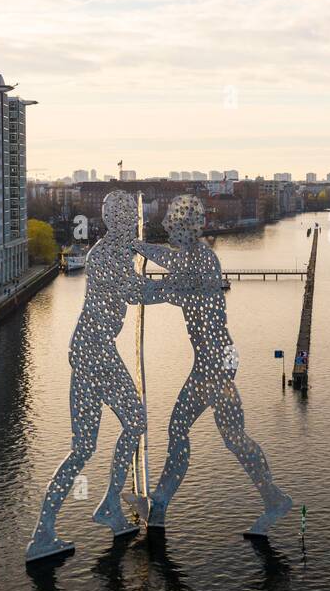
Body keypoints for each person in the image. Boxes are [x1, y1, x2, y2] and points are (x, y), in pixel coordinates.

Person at [133, 195, 293, 536]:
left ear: (188, 228)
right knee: (222, 435)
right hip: (216, 358)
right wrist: (136, 244)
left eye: (172, 224)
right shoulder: (191, 256)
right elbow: (166, 261)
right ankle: (272, 498)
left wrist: (130, 286)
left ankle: (161, 506)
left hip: (216, 361)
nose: (166, 228)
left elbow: (163, 290)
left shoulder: (201, 260)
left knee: (197, 432)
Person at [26, 191, 170, 562]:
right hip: (96, 351)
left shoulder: (112, 251)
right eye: (130, 221)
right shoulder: (108, 255)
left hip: (86, 350)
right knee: (135, 422)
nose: (134, 226)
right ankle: (108, 506)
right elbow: (136, 291)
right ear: (117, 222)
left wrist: (153, 258)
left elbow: (136, 280)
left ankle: (46, 533)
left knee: (83, 448)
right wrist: (178, 289)